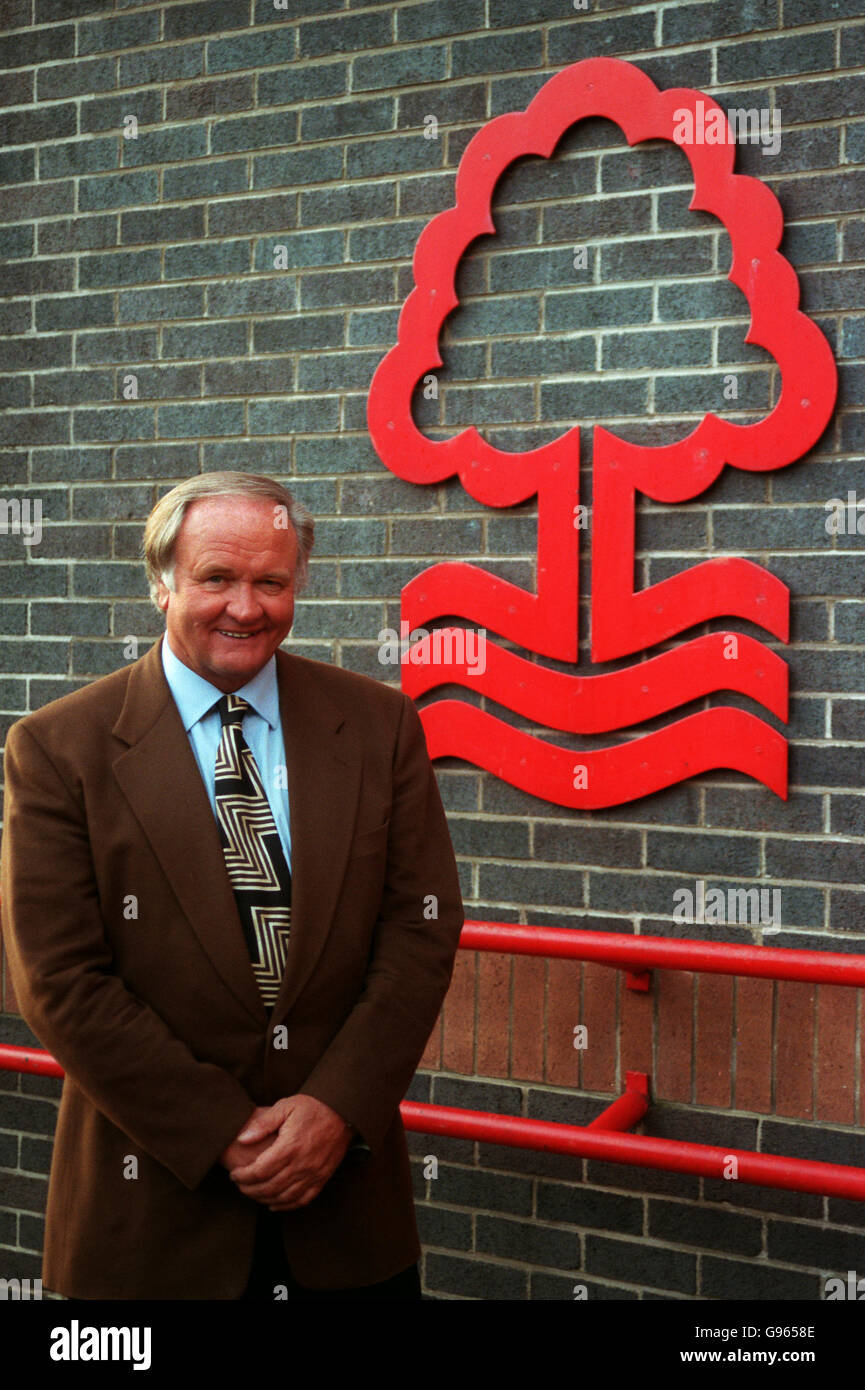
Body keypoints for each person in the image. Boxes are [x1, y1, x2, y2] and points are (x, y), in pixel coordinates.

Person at [0, 471, 464, 1300]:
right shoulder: (57, 750)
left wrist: (334, 1108)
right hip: (151, 1224)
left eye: (270, 582)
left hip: (347, 1217)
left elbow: (419, 932)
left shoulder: (378, 725)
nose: (244, 608)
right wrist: (221, 1130)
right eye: (216, 577)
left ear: (298, 586)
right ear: (162, 583)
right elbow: (60, 981)